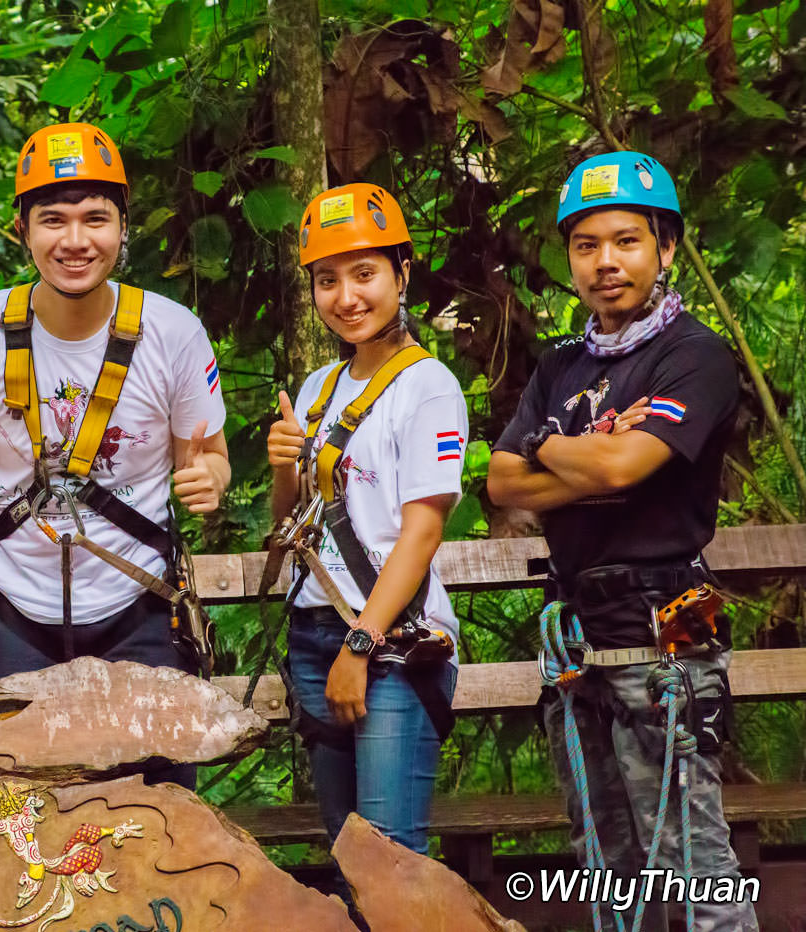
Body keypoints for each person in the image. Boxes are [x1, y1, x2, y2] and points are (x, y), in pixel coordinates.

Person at [488, 151, 756, 931]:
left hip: (663, 638)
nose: (606, 261)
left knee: (691, 860)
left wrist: (550, 446)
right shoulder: (560, 365)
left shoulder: (694, 355)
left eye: (626, 241)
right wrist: (584, 455)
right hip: (577, 640)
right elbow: (502, 482)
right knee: (604, 862)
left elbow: (623, 466)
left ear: (665, 247)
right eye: (586, 245)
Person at [0, 122, 230, 783]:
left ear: (123, 226)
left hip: (140, 609)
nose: (75, 240)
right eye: (53, 220)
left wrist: (209, 478)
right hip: (16, 614)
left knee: (157, 818)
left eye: (95, 218)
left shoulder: (173, 333)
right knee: (18, 818)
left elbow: (210, 457)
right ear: (22, 230)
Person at [265, 183, 466, 871]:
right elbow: (290, 522)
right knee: (347, 856)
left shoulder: (428, 387)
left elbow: (422, 533)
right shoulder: (319, 386)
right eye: (327, 281)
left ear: (401, 273)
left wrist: (360, 645)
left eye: (364, 274)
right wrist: (284, 467)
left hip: (390, 644)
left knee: (390, 860)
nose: (346, 297)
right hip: (315, 633)